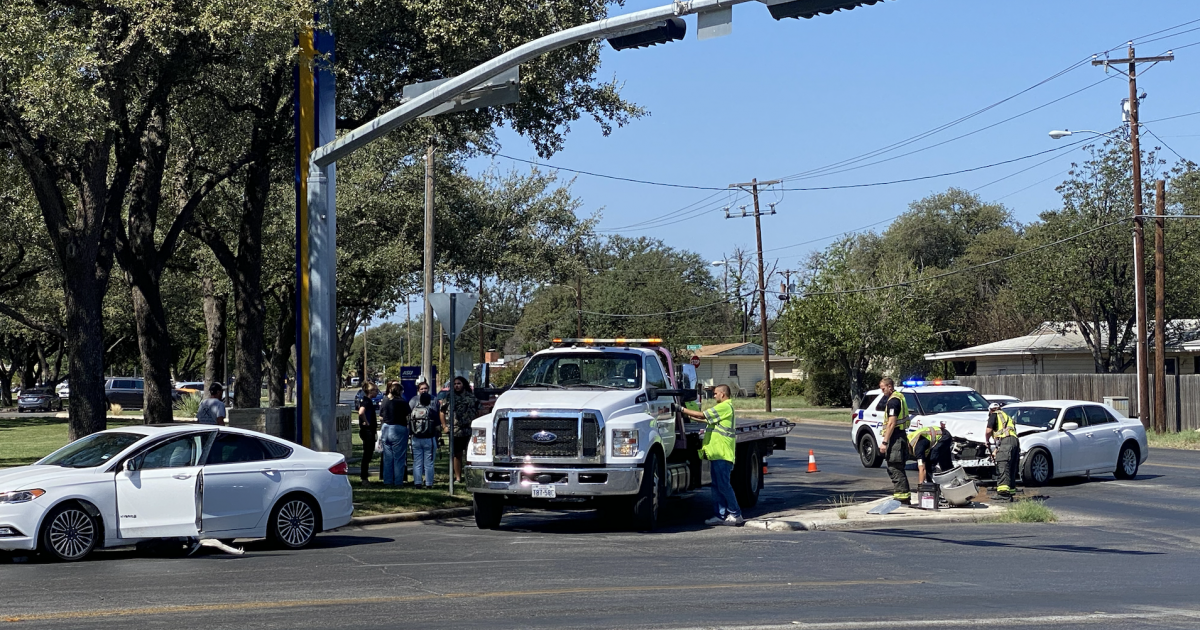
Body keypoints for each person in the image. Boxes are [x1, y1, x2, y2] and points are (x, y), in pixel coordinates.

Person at [678, 384, 742, 526]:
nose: (713, 396)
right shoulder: (724, 408)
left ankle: (735, 514)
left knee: (724, 485)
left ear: (723, 394)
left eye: (715, 394)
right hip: (716, 454)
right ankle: (719, 515)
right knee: (717, 486)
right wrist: (688, 415)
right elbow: (706, 420)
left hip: (723, 454)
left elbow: (703, 414)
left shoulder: (724, 406)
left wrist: (681, 408)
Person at [877, 377, 911, 504]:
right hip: (901, 436)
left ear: (890, 386)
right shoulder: (899, 397)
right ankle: (903, 496)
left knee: (894, 467)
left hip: (895, 438)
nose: (883, 392)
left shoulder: (893, 401)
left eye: (883, 389)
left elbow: (891, 423)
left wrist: (884, 442)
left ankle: (902, 497)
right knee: (898, 467)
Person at [444, 376, 480, 484]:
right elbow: (442, 411)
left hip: (470, 430)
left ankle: (470, 477)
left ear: (463, 384)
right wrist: (444, 426)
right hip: (456, 431)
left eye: (458, 383)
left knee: (470, 454)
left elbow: (479, 411)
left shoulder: (471, 397)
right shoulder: (450, 397)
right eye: (454, 384)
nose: (456, 386)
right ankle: (458, 478)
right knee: (456, 454)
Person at [379, 383, 412, 486]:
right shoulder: (402, 402)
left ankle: (387, 481)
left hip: (386, 428)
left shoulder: (385, 401)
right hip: (398, 429)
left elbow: (381, 415)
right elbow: (408, 416)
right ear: (400, 391)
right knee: (399, 457)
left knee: (387, 457)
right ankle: (398, 481)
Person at [986, 402, 1020, 496]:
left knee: (1003, 463)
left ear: (991, 410)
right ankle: (1011, 490)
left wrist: (987, 440)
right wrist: (996, 451)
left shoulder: (994, 414)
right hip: (1015, 441)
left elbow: (988, 430)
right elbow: (1005, 437)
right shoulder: (1007, 417)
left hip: (1006, 441)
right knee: (1011, 466)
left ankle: (1003, 493)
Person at [409, 389, 440, 488]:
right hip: (428, 439)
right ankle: (429, 483)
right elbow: (438, 427)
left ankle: (417, 482)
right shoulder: (431, 411)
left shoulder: (414, 411)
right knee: (429, 462)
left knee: (417, 462)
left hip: (416, 438)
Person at [909, 420, 952, 484]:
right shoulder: (909, 438)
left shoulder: (918, 448)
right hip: (941, 434)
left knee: (930, 462)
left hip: (944, 437)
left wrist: (921, 485)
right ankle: (950, 479)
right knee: (945, 462)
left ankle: (932, 485)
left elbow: (922, 469)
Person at [357, 382, 379, 482]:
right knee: (367, 454)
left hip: (370, 431)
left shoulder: (369, 401)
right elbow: (361, 412)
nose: (377, 392)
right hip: (367, 431)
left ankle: (364, 476)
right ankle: (364, 477)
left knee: (369, 454)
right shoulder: (366, 401)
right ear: (370, 391)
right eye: (375, 390)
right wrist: (366, 422)